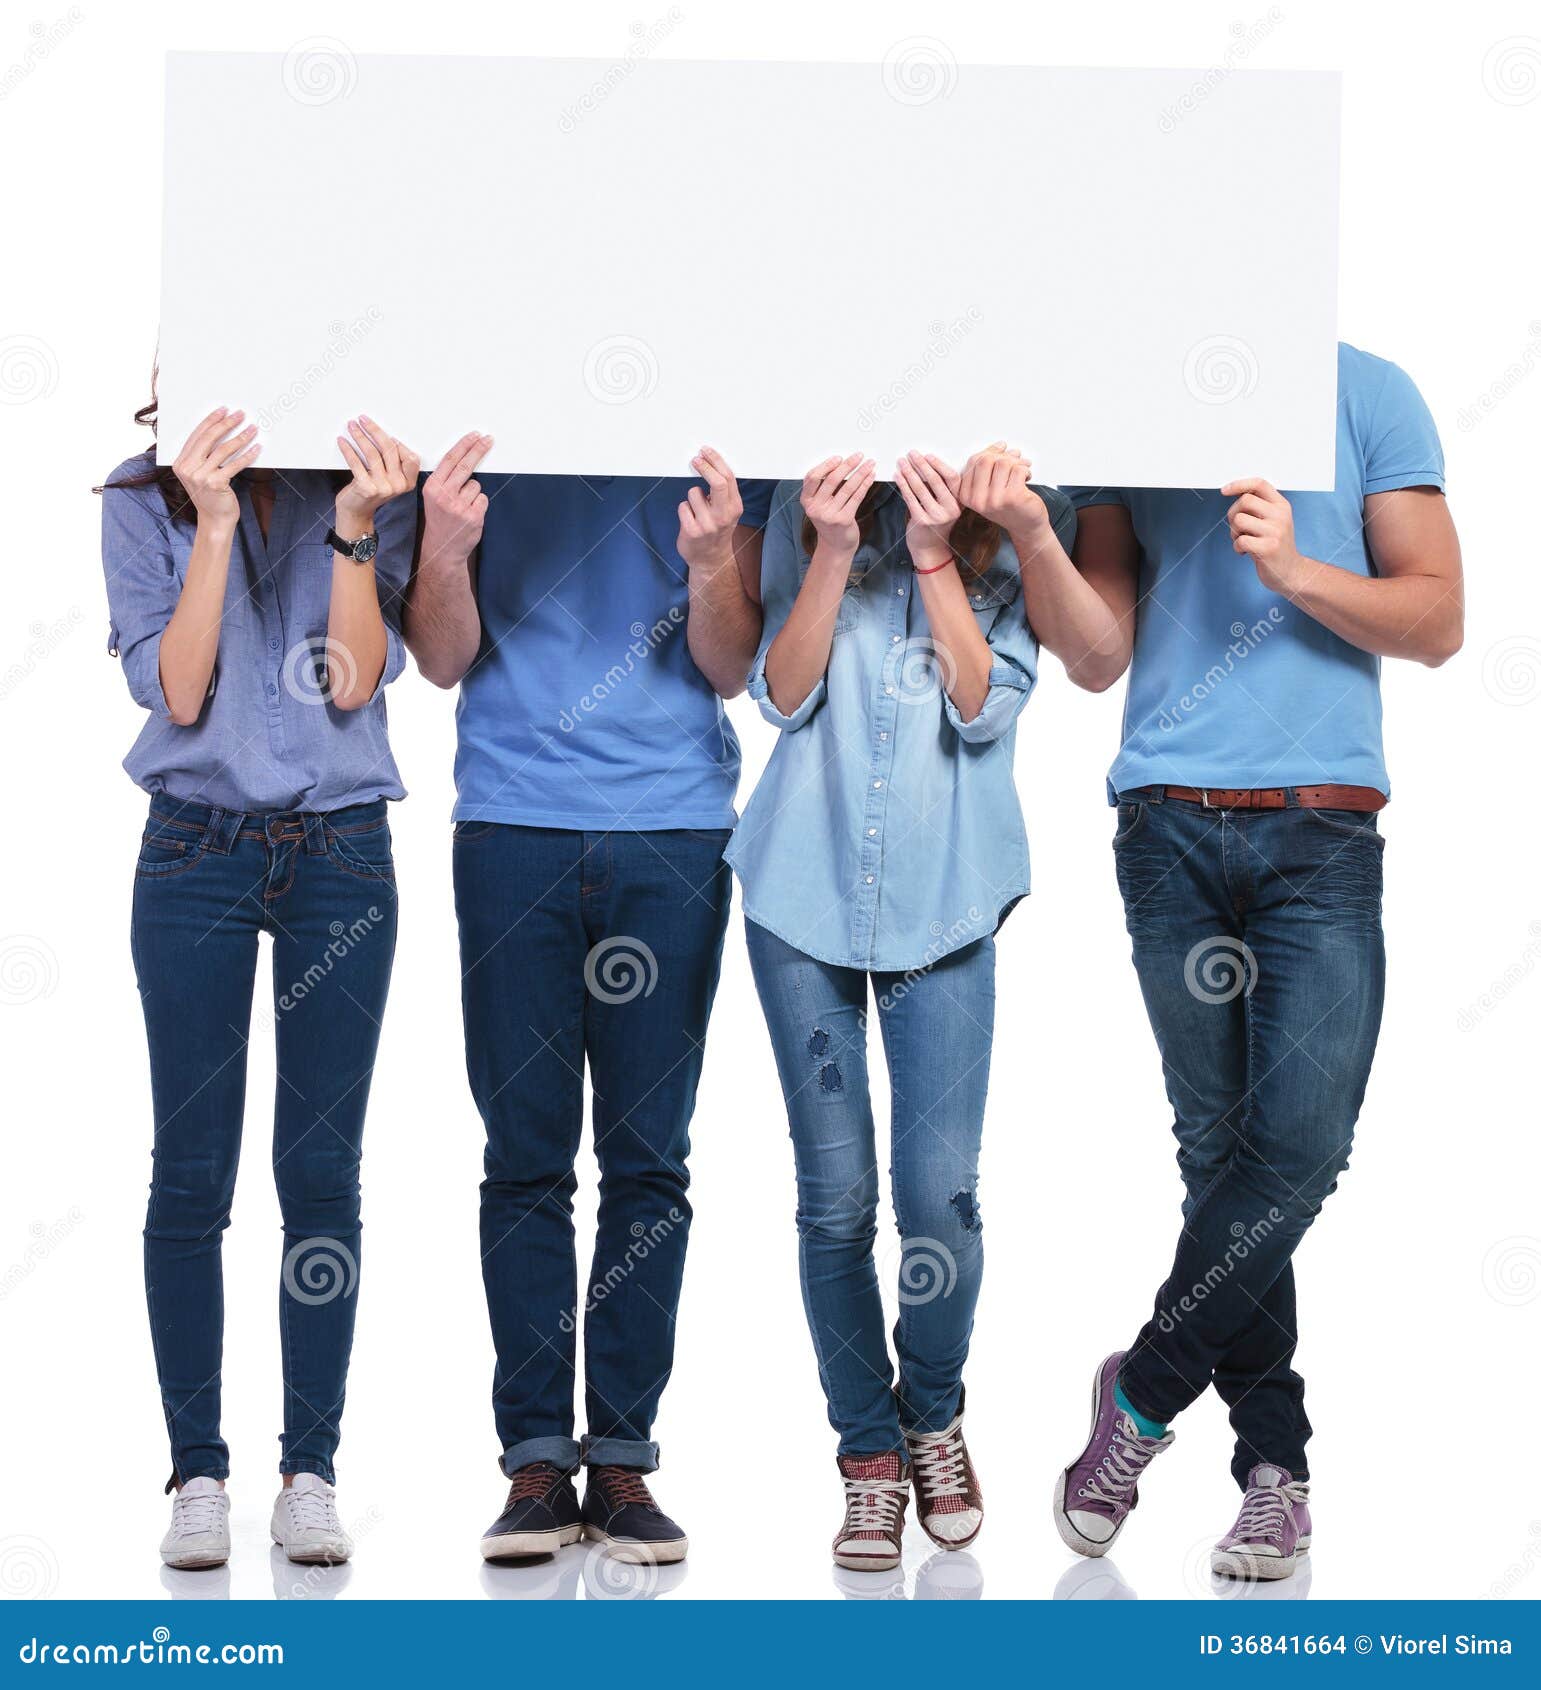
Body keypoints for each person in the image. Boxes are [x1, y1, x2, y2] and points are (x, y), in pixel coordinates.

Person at [1047, 342, 1462, 1579]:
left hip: (1321, 828)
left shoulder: (1367, 392)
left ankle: (1140, 1395)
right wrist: (1033, 527)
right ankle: (1274, 1476)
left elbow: (1438, 618)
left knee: (1294, 1155)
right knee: (1223, 1161)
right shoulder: (1129, 390)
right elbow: (1096, 650)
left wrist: (1294, 567)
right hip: (1168, 822)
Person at [404, 440, 775, 1565]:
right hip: (512, 819)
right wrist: (448, 549)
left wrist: (713, 564)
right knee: (523, 1154)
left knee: (646, 1155)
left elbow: (728, 669)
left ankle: (620, 1456)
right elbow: (440, 657)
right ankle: (534, 1460)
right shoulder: (479, 426)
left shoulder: (723, 435)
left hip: (670, 825)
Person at [728, 446, 1081, 1571]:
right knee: (834, 1198)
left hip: (946, 898)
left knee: (940, 1199)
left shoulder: (1030, 504)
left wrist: (932, 554)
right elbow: (778, 695)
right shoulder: (803, 496)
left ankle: (931, 1413)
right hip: (800, 889)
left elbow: (984, 710)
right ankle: (867, 1457)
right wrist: (831, 548)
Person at [100, 399, 420, 1570]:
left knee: (321, 1167)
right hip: (193, 852)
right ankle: (196, 1471)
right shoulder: (141, 499)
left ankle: (309, 1470)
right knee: (191, 1169)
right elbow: (178, 693)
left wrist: (351, 528)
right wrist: (220, 521)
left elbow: (353, 684)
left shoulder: (372, 479)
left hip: (339, 851)